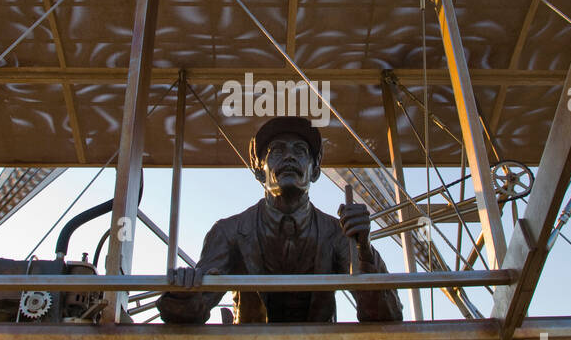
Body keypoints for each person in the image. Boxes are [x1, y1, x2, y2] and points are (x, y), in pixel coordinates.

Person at [156, 116, 403, 324]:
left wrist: (364, 250)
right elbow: (193, 310)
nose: (289, 158)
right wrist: (182, 292)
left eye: (300, 151)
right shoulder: (229, 232)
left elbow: (386, 316)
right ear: (258, 170)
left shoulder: (337, 233)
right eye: (276, 151)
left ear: (315, 171)